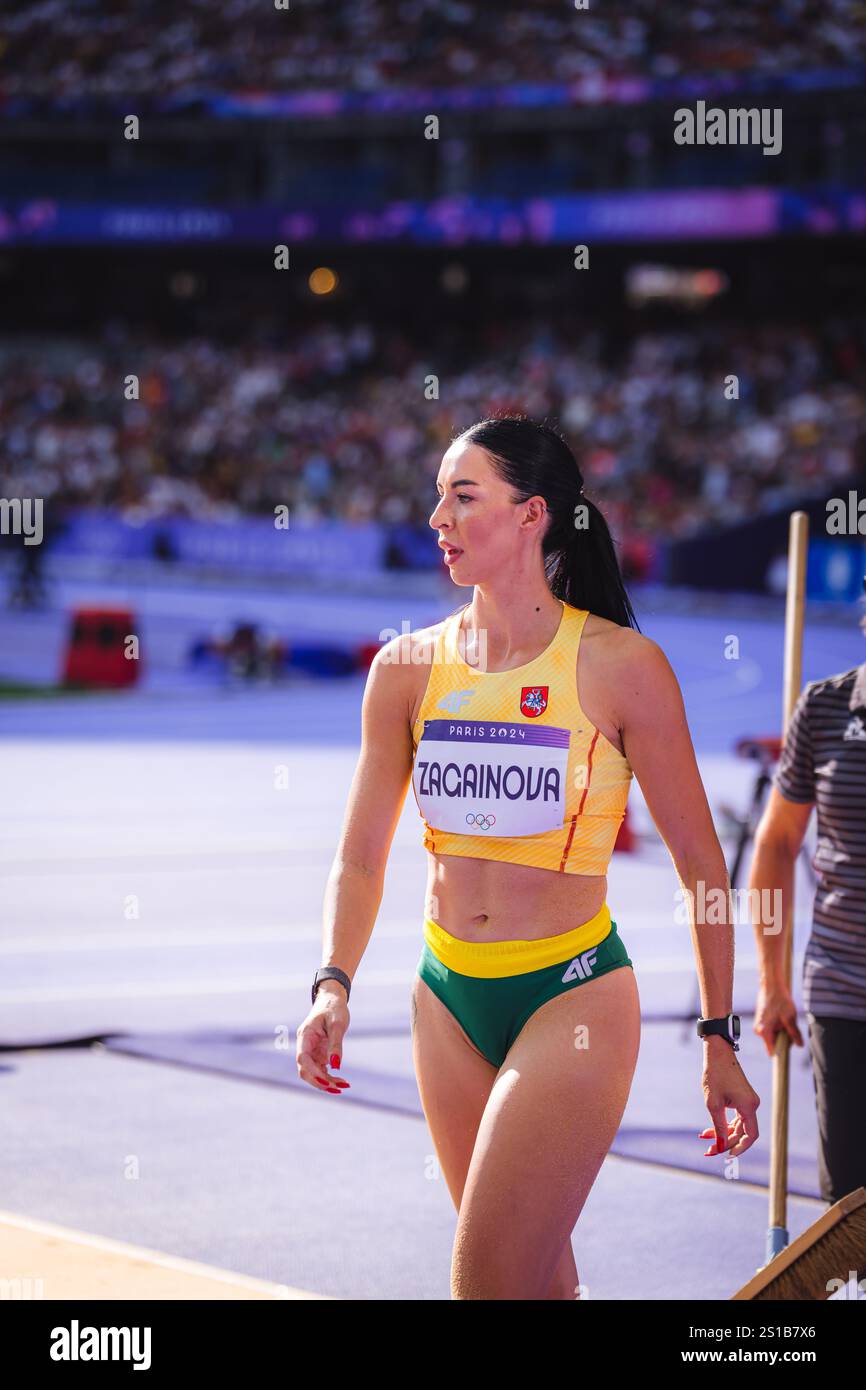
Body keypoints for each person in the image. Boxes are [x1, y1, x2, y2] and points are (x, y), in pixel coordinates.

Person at [296, 414, 759, 1300]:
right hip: (445, 1000)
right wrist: (332, 981)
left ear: (532, 515)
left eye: (462, 496)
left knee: (486, 1283)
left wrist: (717, 1034)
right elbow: (360, 854)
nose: (437, 517)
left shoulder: (624, 667)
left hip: (571, 995)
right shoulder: (405, 667)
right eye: (437, 496)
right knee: (536, 1283)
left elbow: (703, 866)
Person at [748, 579, 866, 1206]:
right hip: (842, 993)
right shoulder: (825, 708)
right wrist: (772, 982)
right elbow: (774, 845)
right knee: (850, 1212)